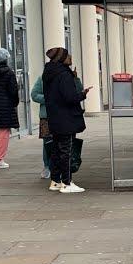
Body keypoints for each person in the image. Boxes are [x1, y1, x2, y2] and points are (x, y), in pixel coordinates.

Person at [42, 47, 91, 193]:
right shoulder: (64, 75)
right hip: (66, 117)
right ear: (61, 59)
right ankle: (67, 182)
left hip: (55, 116)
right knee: (66, 150)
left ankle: (55, 180)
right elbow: (70, 97)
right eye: (67, 55)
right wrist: (82, 94)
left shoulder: (49, 73)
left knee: (57, 149)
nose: (70, 57)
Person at [32, 62, 84, 180]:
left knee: (64, 143)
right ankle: (47, 166)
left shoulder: (68, 77)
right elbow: (34, 95)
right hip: (47, 116)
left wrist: (75, 78)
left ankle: (61, 169)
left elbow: (77, 92)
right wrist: (51, 99)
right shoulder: (43, 78)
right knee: (48, 143)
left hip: (64, 115)